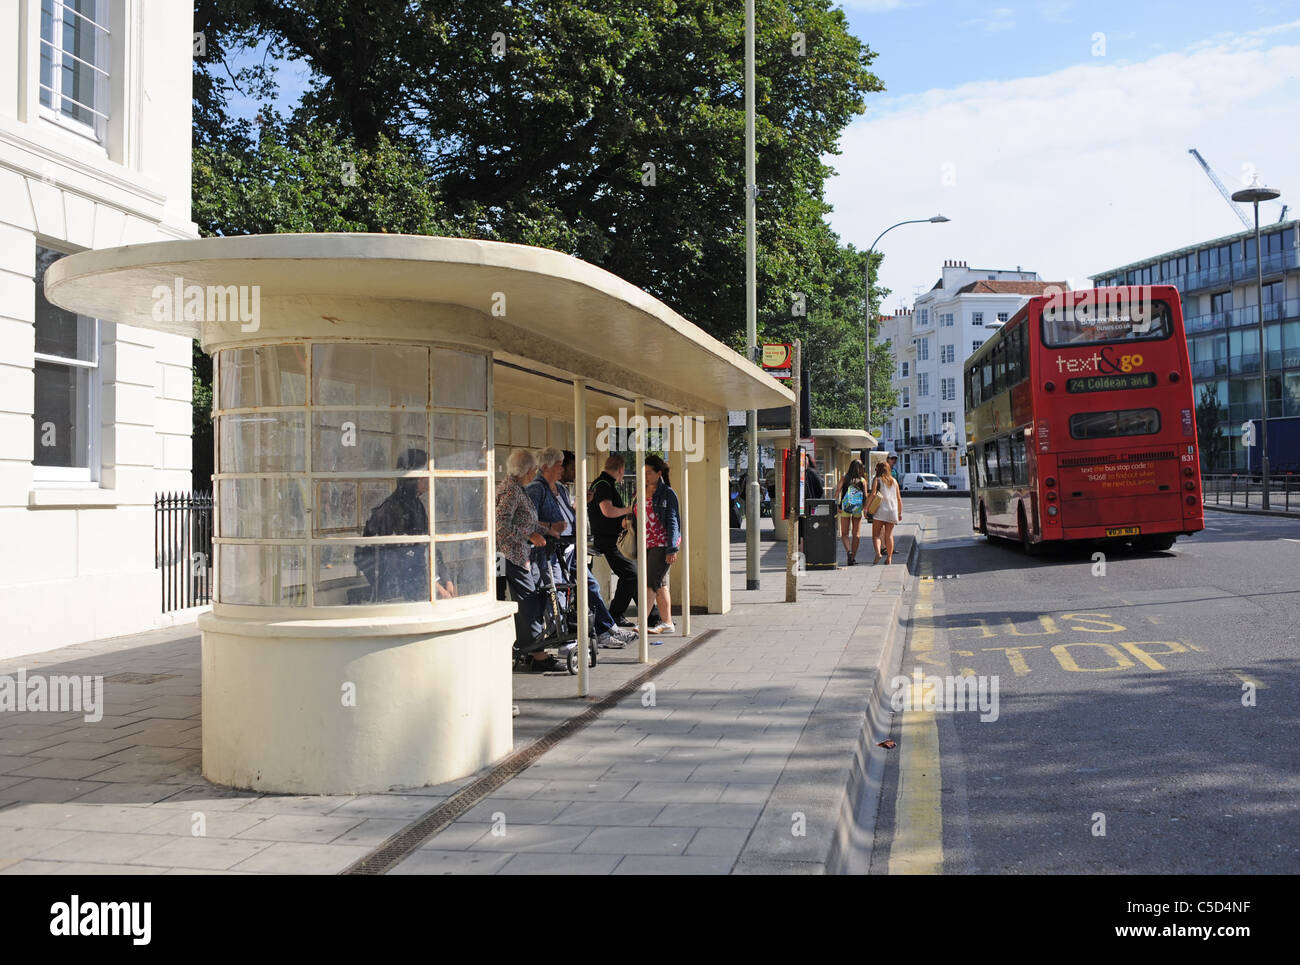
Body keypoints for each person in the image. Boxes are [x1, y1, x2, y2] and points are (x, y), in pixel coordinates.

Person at [529, 448, 635, 648]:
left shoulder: (559, 489)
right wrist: (549, 528)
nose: (563, 469)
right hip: (553, 550)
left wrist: (580, 505)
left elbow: (568, 513)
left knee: (590, 584)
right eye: (559, 465)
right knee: (557, 592)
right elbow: (528, 520)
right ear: (546, 467)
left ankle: (607, 629)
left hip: (570, 547)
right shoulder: (537, 489)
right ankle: (561, 640)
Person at [353, 448, 456, 601]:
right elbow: (404, 560)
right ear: (415, 477)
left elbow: (428, 546)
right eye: (427, 472)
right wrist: (435, 586)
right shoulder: (394, 510)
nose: (431, 478)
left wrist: (445, 577)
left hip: (411, 590)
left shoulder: (415, 505)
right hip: (397, 597)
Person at [496, 448, 564, 671]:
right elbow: (501, 526)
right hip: (511, 555)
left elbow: (525, 520)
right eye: (533, 469)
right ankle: (538, 655)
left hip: (518, 554)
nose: (535, 473)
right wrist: (529, 535)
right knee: (529, 601)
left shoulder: (517, 488)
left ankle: (532, 649)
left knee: (531, 599)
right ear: (527, 470)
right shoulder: (512, 491)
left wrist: (546, 530)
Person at [587, 452, 659, 628]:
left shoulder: (602, 482)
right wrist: (630, 509)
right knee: (631, 575)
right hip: (609, 540)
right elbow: (607, 511)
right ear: (621, 469)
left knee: (633, 574)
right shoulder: (604, 484)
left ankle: (651, 615)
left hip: (609, 538)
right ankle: (616, 615)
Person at [635, 454, 681, 635]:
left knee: (650, 583)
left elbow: (673, 521)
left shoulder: (667, 493)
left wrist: (672, 547)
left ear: (658, 473)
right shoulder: (640, 491)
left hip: (661, 543)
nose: (645, 477)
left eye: (649, 473)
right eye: (643, 473)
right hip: (645, 543)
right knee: (660, 585)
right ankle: (667, 622)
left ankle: (641, 622)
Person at [870, 459, 903, 565]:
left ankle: (878, 553)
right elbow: (899, 499)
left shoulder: (877, 480)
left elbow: (873, 494)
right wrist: (899, 513)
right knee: (889, 535)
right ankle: (889, 558)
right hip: (892, 511)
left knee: (876, 535)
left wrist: (866, 508)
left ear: (878, 469)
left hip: (880, 510)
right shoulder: (894, 481)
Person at [836, 458, 868, 565]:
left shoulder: (844, 478)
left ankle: (849, 551)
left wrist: (836, 505)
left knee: (844, 533)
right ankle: (853, 557)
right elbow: (865, 496)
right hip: (857, 509)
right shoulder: (863, 481)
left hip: (845, 507)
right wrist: (865, 509)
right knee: (856, 534)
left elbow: (837, 491)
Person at [797, 450, 825, 554]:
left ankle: (803, 552)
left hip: (804, 506)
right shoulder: (812, 473)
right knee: (807, 530)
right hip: (812, 506)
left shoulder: (804, 474)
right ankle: (805, 552)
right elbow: (820, 489)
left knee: (802, 531)